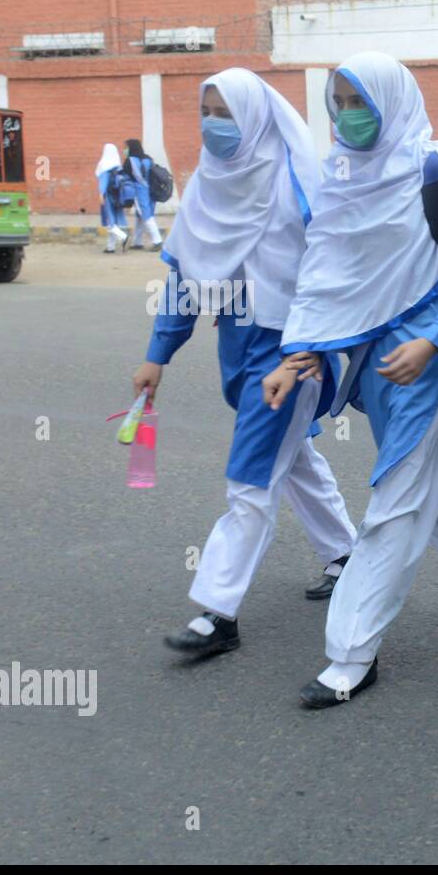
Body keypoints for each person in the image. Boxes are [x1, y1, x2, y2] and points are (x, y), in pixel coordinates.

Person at [262, 51, 438, 707]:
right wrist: (298, 357)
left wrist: (433, 342)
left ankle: (350, 654)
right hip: (368, 366)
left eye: (361, 102)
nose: (348, 116)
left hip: (422, 363)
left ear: (392, 102)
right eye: (339, 102)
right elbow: (325, 276)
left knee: (396, 500)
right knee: (433, 483)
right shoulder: (342, 178)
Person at [130, 69, 357, 658]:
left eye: (226, 112)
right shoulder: (209, 184)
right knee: (294, 458)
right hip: (238, 348)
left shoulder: (297, 186)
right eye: (206, 110)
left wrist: (310, 353)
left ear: (256, 117)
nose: (213, 123)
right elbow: (184, 276)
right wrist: (158, 356)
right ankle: (345, 553)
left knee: (250, 477)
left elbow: (333, 278)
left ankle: (217, 612)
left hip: (292, 355)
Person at [120, 138, 163, 251]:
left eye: (126, 148)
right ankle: (138, 242)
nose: (124, 150)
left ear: (131, 148)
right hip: (151, 191)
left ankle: (157, 241)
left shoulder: (130, 161)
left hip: (139, 192)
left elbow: (125, 175)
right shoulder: (148, 159)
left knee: (146, 216)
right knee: (140, 217)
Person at [95, 143, 129, 252]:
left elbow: (103, 182)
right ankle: (110, 247)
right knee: (115, 221)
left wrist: (101, 194)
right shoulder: (118, 166)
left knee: (109, 222)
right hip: (118, 197)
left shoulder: (104, 165)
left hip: (108, 197)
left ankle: (123, 236)